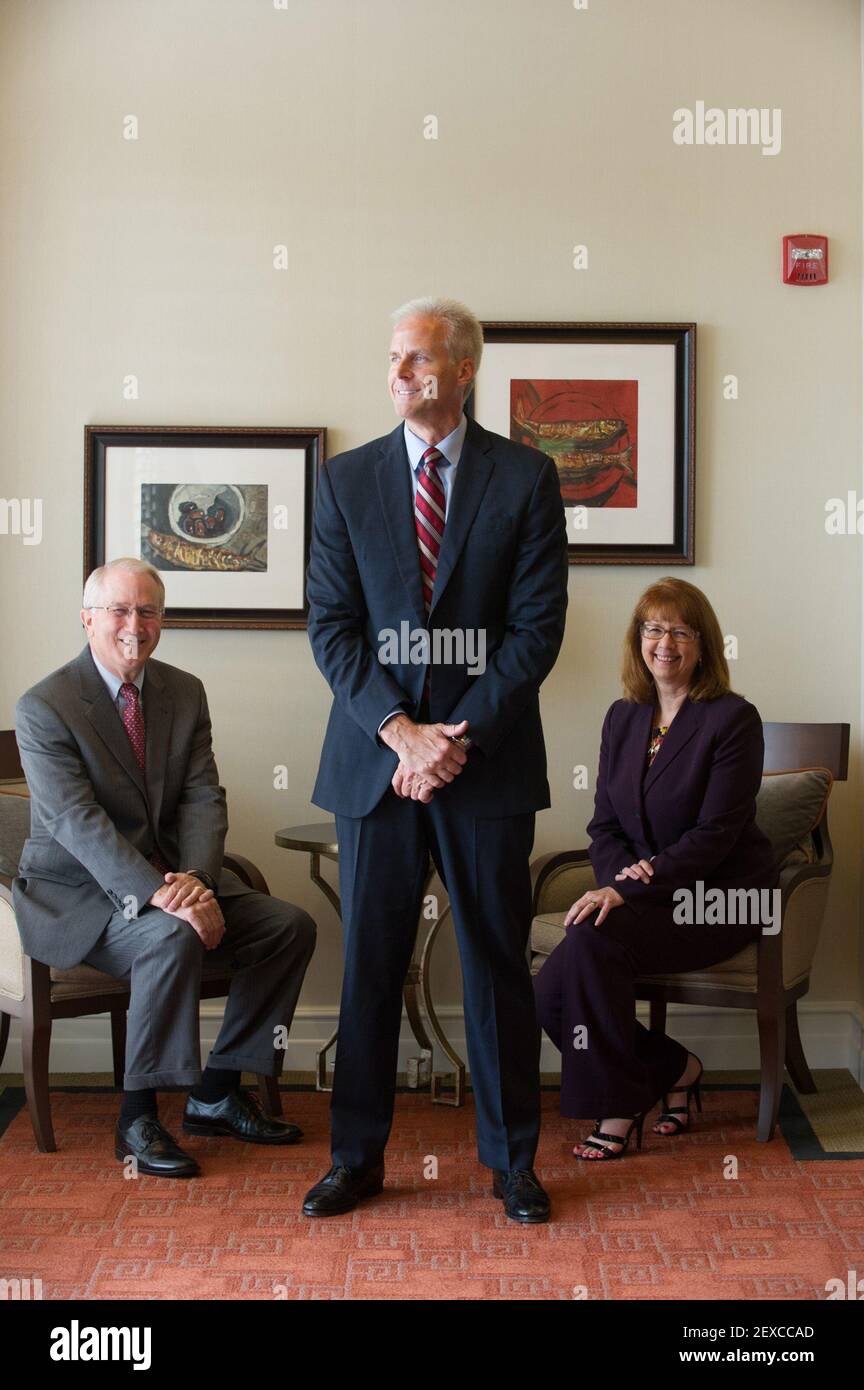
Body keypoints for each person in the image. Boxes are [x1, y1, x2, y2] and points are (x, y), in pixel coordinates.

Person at [304, 296, 568, 1222]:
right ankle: (356, 1159)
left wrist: (454, 738)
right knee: (368, 964)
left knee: (496, 964)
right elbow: (332, 629)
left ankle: (512, 1163)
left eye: (419, 360)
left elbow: (536, 633)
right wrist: (399, 732)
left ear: (464, 369)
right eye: (392, 359)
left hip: (483, 765)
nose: (401, 374)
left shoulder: (528, 478)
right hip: (373, 764)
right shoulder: (345, 482)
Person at [13, 558, 316, 1177]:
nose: (134, 624)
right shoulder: (45, 705)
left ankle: (216, 1092)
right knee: (171, 935)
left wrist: (200, 881)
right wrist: (162, 895)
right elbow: (76, 822)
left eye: (147, 610)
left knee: (290, 925)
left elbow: (203, 796)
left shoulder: (184, 691)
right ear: (88, 617)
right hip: (82, 895)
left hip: (178, 879)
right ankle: (137, 1118)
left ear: (162, 620)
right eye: (119, 610)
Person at [534, 577, 777, 1159]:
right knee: (547, 994)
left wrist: (627, 889)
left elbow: (715, 835)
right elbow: (604, 827)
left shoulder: (733, 719)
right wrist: (623, 885)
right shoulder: (623, 718)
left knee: (590, 939)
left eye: (679, 631)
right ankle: (675, 1068)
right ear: (637, 639)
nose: (663, 642)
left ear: (703, 644)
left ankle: (617, 1108)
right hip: (645, 899)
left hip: (717, 899)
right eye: (652, 628)